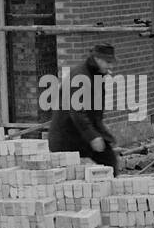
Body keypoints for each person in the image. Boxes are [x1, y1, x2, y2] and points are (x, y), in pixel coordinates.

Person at [48, 43, 122, 176]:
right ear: (97, 59)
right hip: (67, 137)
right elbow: (77, 112)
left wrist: (102, 133)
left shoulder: (97, 76)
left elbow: (94, 112)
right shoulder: (80, 76)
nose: (111, 67)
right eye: (108, 62)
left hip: (82, 133)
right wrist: (93, 136)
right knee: (71, 177)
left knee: (109, 160)